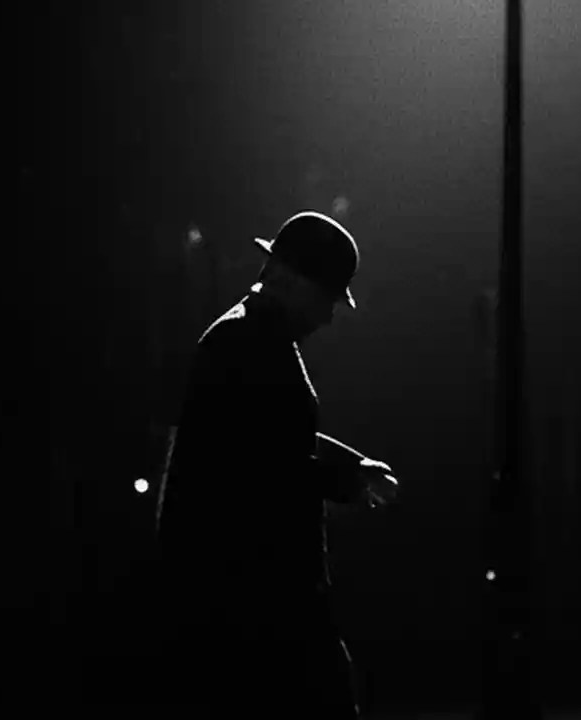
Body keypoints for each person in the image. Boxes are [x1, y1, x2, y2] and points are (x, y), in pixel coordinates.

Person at [152, 211, 399, 717]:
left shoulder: (247, 339)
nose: (328, 316)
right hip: (252, 604)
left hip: (248, 601)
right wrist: (346, 479)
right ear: (294, 283)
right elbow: (262, 469)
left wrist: (352, 465)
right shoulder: (248, 344)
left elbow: (271, 442)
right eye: (326, 298)